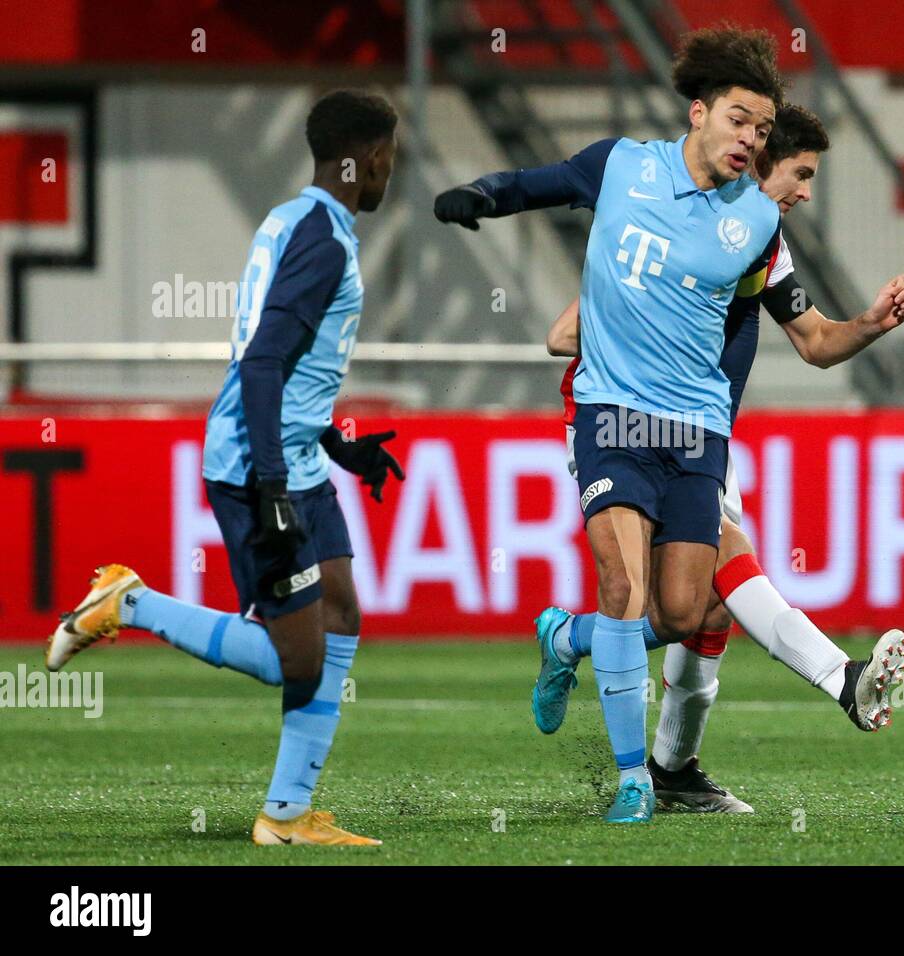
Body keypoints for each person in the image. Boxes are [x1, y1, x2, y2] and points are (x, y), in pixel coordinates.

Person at [436, 26, 789, 823]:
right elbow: (543, 181)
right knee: (624, 590)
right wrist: (484, 196)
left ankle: (565, 640)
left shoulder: (757, 224)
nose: (750, 140)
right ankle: (635, 776)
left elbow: (746, 329)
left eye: (763, 130)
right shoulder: (622, 165)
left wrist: (721, 426)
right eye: (739, 120)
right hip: (612, 415)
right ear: (698, 113)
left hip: (694, 433)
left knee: (680, 613)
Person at [45, 89, 404, 846]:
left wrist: (338, 446)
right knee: (293, 663)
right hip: (256, 464)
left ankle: (287, 816)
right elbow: (267, 359)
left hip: (293, 455)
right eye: (389, 159)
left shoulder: (294, 219)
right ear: (368, 159)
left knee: (341, 611)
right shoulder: (325, 240)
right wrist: (272, 480)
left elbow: (287, 364)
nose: (389, 175)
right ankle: (130, 602)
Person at [538, 104, 904, 811]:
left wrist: (868, 325)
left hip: (703, 437)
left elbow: (815, 342)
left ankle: (663, 758)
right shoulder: (684, 231)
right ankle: (842, 677)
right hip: (634, 429)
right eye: (800, 174)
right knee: (727, 558)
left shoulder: (761, 246)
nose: (806, 190)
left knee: (702, 614)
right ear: (759, 164)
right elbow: (563, 335)